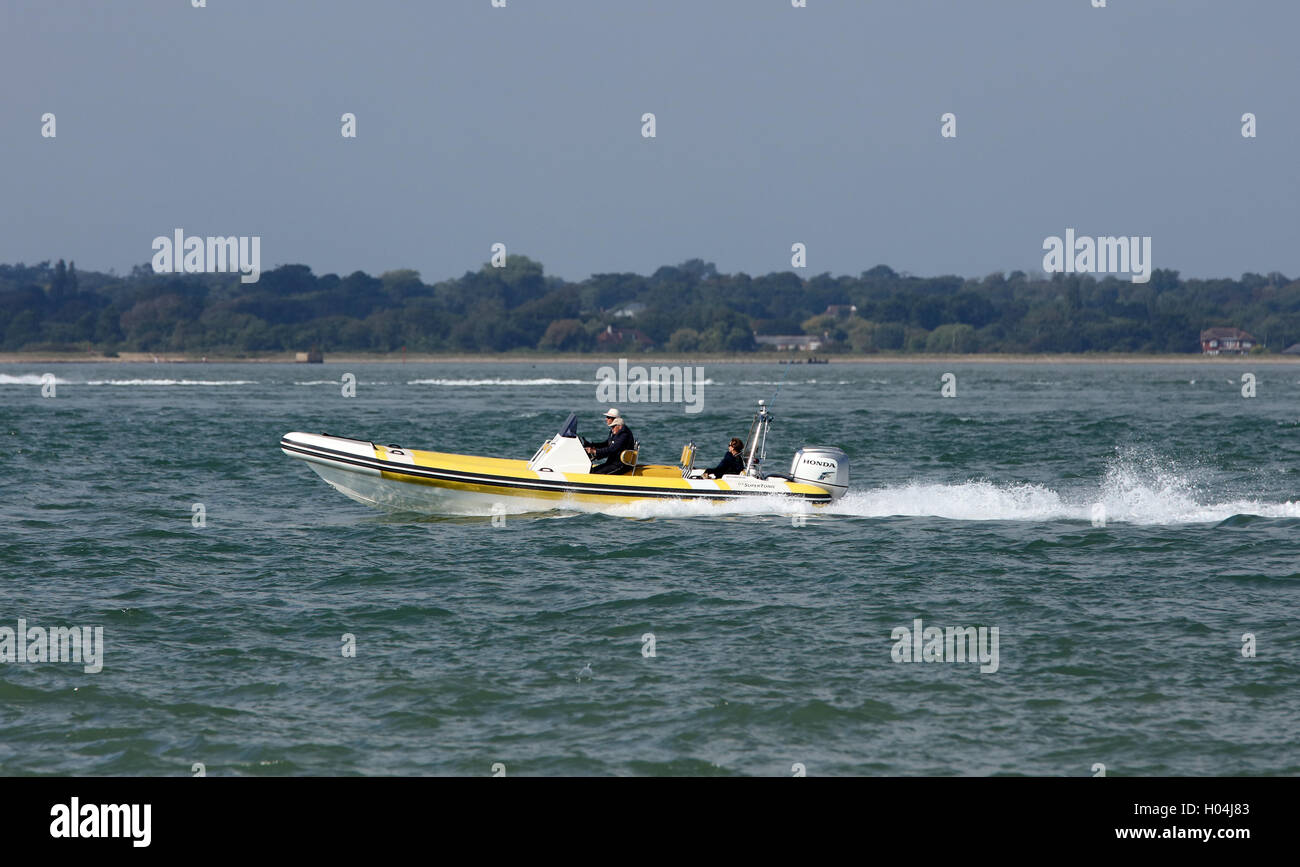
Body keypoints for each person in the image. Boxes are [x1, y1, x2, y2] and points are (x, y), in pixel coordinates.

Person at [585, 408, 636, 474]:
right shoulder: (614, 430)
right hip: (611, 463)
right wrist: (592, 445)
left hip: (620, 465)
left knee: (595, 474)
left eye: (608, 417)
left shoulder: (624, 434)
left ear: (617, 423)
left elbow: (612, 449)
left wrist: (595, 451)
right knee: (591, 471)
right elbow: (607, 444)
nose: (606, 419)